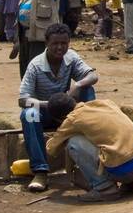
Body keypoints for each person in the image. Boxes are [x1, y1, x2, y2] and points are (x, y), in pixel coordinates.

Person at [18, 24, 99, 193]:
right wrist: (49, 104)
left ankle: (93, 163)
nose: (59, 47)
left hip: (67, 111)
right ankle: (40, 171)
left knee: (88, 90)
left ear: (69, 43)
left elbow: (93, 75)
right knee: (29, 114)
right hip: (45, 111)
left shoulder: (71, 58)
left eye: (64, 43)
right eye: (55, 43)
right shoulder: (35, 65)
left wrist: (77, 85)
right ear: (47, 43)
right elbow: (23, 99)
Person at [45, 92, 133, 201]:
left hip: (125, 172)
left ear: (61, 117)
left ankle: (104, 189)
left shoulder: (73, 119)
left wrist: (64, 132)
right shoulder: (105, 103)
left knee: (74, 142)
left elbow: (51, 148)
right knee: (113, 140)